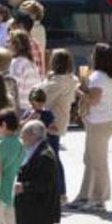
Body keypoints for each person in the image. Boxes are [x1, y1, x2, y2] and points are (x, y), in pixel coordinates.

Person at [70, 42, 112, 211]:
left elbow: (93, 100)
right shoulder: (111, 78)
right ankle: (85, 195)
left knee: (97, 161)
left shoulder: (97, 76)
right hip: (106, 121)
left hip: (98, 123)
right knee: (90, 159)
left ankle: (99, 198)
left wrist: (79, 91)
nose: (91, 56)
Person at [40, 49, 77, 200]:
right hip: (61, 119)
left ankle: (60, 192)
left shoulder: (57, 82)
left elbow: (42, 96)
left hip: (52, 122)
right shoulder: (70, 79)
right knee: (53, 155)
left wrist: (45, 81)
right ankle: (59, 191)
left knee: (52, 156)